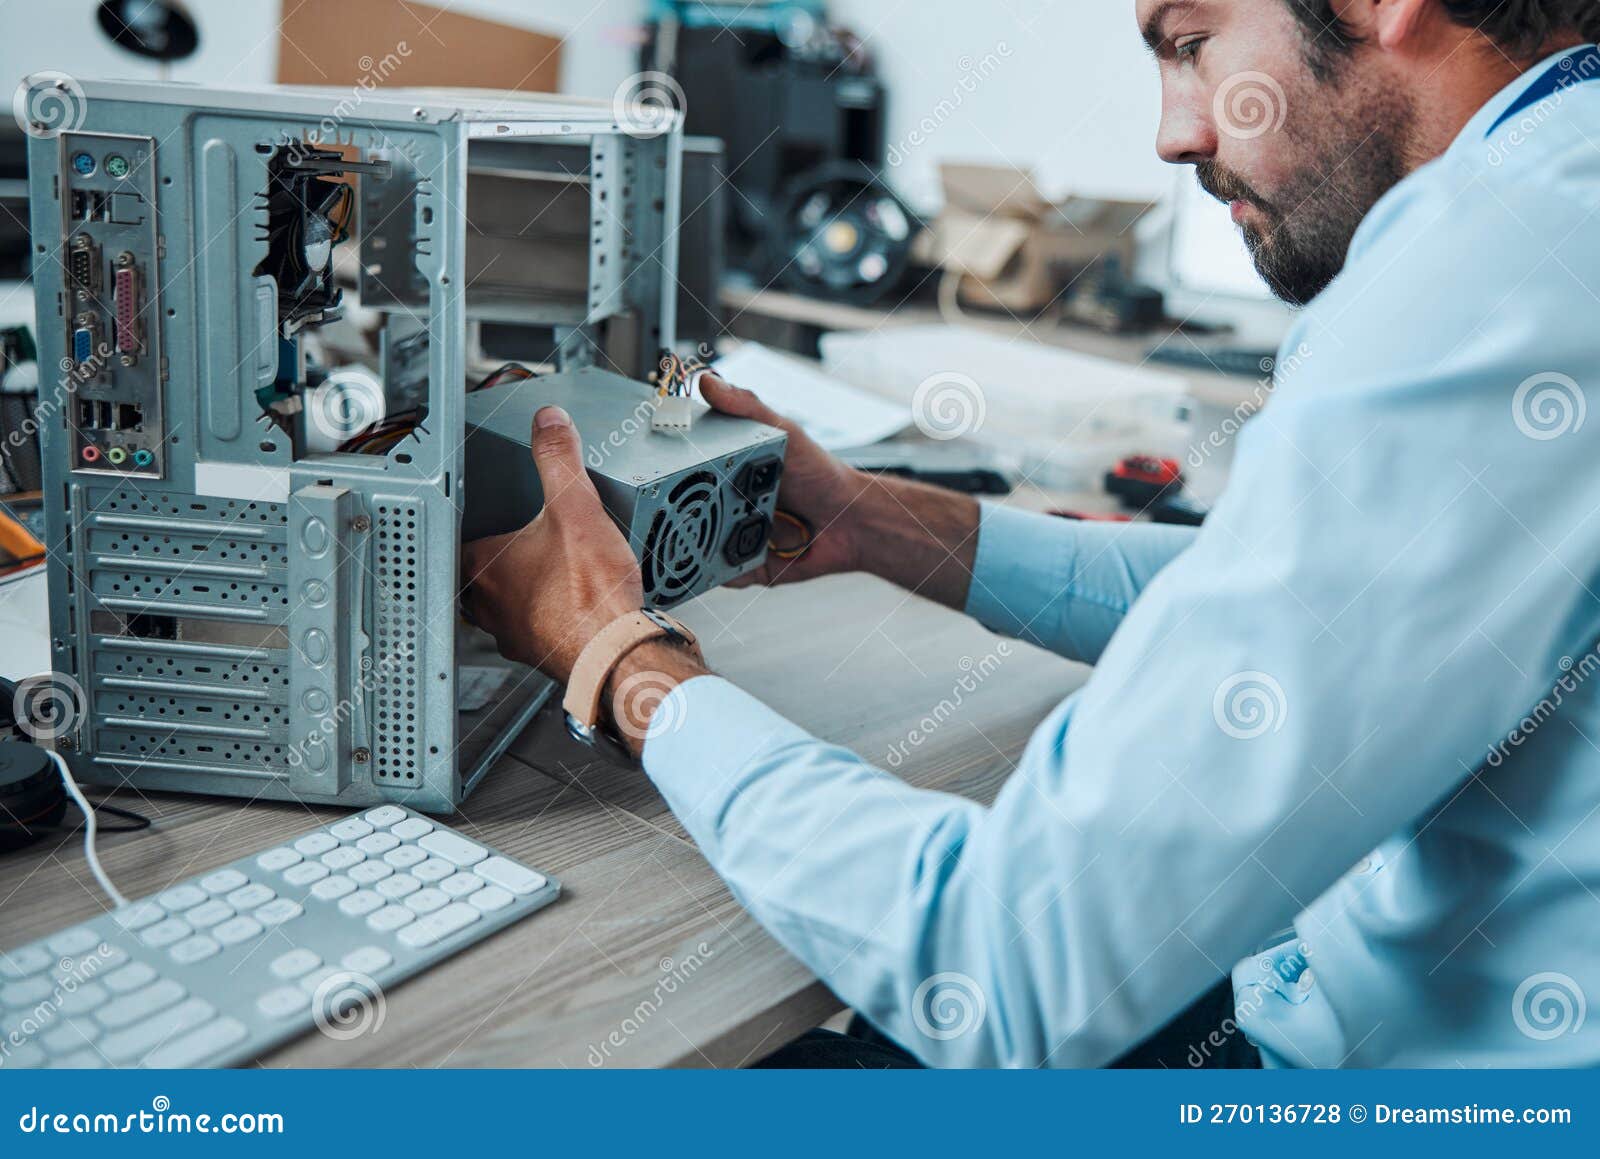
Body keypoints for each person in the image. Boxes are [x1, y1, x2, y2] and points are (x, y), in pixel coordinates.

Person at [462, 0, 1600, 1068]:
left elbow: (1003, 967)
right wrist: (884, 521)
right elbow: (1293, 600)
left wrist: (619, 657)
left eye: (1190, 40)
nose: (1174, 131)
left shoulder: (1493, 261)